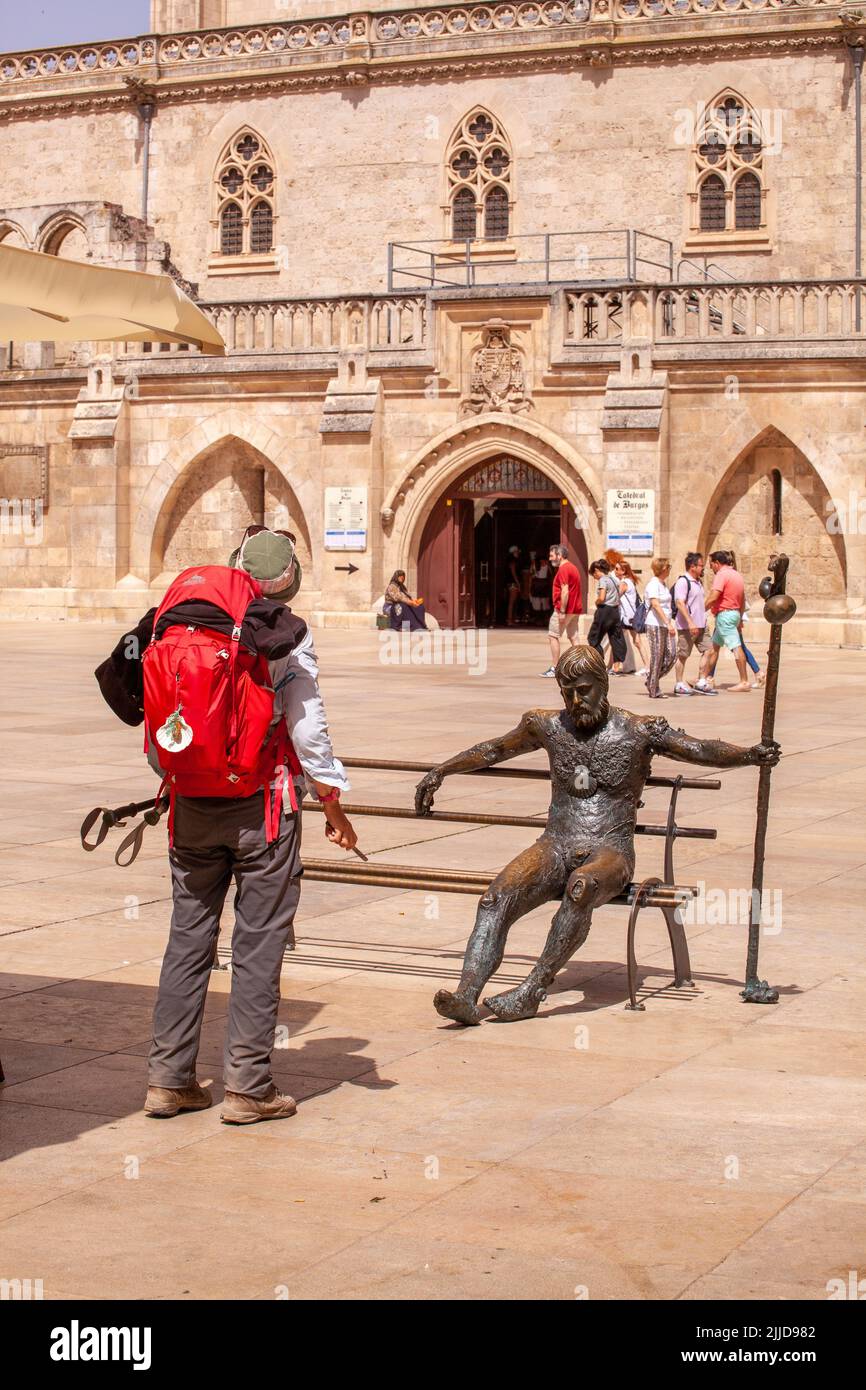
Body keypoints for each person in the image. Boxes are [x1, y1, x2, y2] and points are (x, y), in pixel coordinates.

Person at [416, 644, 780, 1025]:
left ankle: (532, 990)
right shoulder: (546, 725)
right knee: (495, 898)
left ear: (603, 684)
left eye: (584, 690)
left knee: (581, 887)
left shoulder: (640, 730)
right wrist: (442, 770)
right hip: (555, 844)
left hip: (611, 851)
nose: (576, 701)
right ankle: (466, 995)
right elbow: (493, 749)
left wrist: (750, 755)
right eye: (567, 692)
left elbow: (699, 749)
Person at [144, 527, 358, 1125]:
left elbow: (155, 720)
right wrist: (333, 805)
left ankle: (168, 1080)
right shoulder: (283, 634)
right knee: (258, 945)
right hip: (262, 806)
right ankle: (247, 1087)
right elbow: (307, 729)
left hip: (189, 805)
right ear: (288, 582)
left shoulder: (179, 621)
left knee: (188, 937)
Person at [702, 549, 751, 693]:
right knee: (713, 648)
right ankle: (704, 678)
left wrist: (700, 610)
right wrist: (740, 618)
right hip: (733, 614)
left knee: (736, 647)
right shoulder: (737, 575)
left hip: (725, 615)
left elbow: (714, 596)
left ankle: (744, 681)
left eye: (711, 564)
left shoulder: (721, 575)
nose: (710, 567)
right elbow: (742, 600)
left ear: (717, 563)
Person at [672, 551, 717, 697]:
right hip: (687, 626)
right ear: (692, 566)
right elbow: (680, 603)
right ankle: (679, 683)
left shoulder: (698, 582)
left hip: (701, 625)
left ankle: (701, 681)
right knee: (683, 655)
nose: (703, 568)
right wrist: (690, 622)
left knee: (709, 650)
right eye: (700, 566)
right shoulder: (683, 582)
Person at [541, 543, 583, 677]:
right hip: (575, 608)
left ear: (560, 555)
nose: (550, 558)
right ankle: (580, 666)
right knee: (573, 636)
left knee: (553, 635)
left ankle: (555, 668)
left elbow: (565, 591)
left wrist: (562, 611)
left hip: (564, 609)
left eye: (552, 555)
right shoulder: (573, 568)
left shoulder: (564, 569)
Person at [643, 556, 677, 698]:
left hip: (664, 623)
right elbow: (655, 604)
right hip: (655, 623)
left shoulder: (662, 584)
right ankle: (654, 689)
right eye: (668, 567)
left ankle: (652, 679)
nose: (669, 570)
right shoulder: (653, 584)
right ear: (663, 568)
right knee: (657, 656)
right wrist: (668, 623)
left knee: (671, 655)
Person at [586, 558, 626, 674]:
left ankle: (598, 662)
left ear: (598, 570)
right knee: (615, 636)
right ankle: (617, 665)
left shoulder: (603, 580)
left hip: (605, 610)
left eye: (594, 573)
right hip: (614, 611)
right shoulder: (614, 580)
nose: (594, 576)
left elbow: (602, 597)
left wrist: (597, 602)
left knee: (593, 637)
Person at [612, 557, 648, 677]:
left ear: (623, 571)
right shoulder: (629, 581)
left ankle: (647, 666)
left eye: (617, 569)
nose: (615, 571)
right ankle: (614, 666)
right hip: (627, 617)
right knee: (621, 640)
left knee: (637, 641)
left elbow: (615, 596)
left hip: (628, 617)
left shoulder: (624, 583)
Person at [506, 545, 522, 626]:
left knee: (514, 601)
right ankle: (509, 620)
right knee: (512, 602)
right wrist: (518, 583)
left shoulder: (515, 560)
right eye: (516, 552)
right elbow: (513, 573)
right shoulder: (512, 561)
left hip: (513, 583)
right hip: (513, 583)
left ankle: (512, 619)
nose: (518, 553)